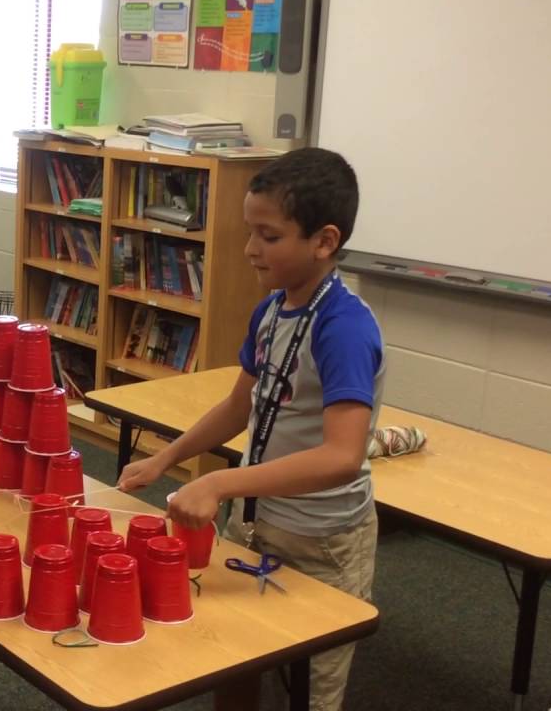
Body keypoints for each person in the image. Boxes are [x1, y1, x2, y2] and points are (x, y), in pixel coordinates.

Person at [119, 147, 383, 711]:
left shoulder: (344, 327)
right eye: (249, 232)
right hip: (258, 520)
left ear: (324, 241)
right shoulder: (271, 310)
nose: (249, 249)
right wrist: (167, 458)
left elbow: (341, 456)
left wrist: (219, 483)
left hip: (323, 538)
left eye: (269, 236)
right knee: (233, 654)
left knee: (311, 685)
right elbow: (239, 408)